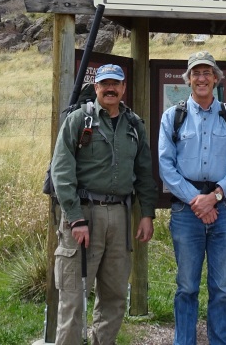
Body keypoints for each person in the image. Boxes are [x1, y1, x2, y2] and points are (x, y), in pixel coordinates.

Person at [50, 63, 158, 345]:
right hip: (83, 216)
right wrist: (74, 218)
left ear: (124, 88)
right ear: (96, 87)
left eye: (116, 84)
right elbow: (61, 170)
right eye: (104, 83)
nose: (110, 88)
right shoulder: (78, 121)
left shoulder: (134, 124)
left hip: (120, 217)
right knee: (73, 297)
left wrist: (147, 214)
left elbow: (145, 173)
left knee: (115, 295)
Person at [158, 51, 226, 345]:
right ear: (188, 80)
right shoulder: (173, 116)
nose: (201, 79)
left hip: (222, 212)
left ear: (216, 79)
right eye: (195, 73)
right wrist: (197, 200)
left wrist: (215, 196)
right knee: (186, 287)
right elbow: (165, 166)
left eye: (207, 73)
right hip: (187, 213)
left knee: (222, 289)